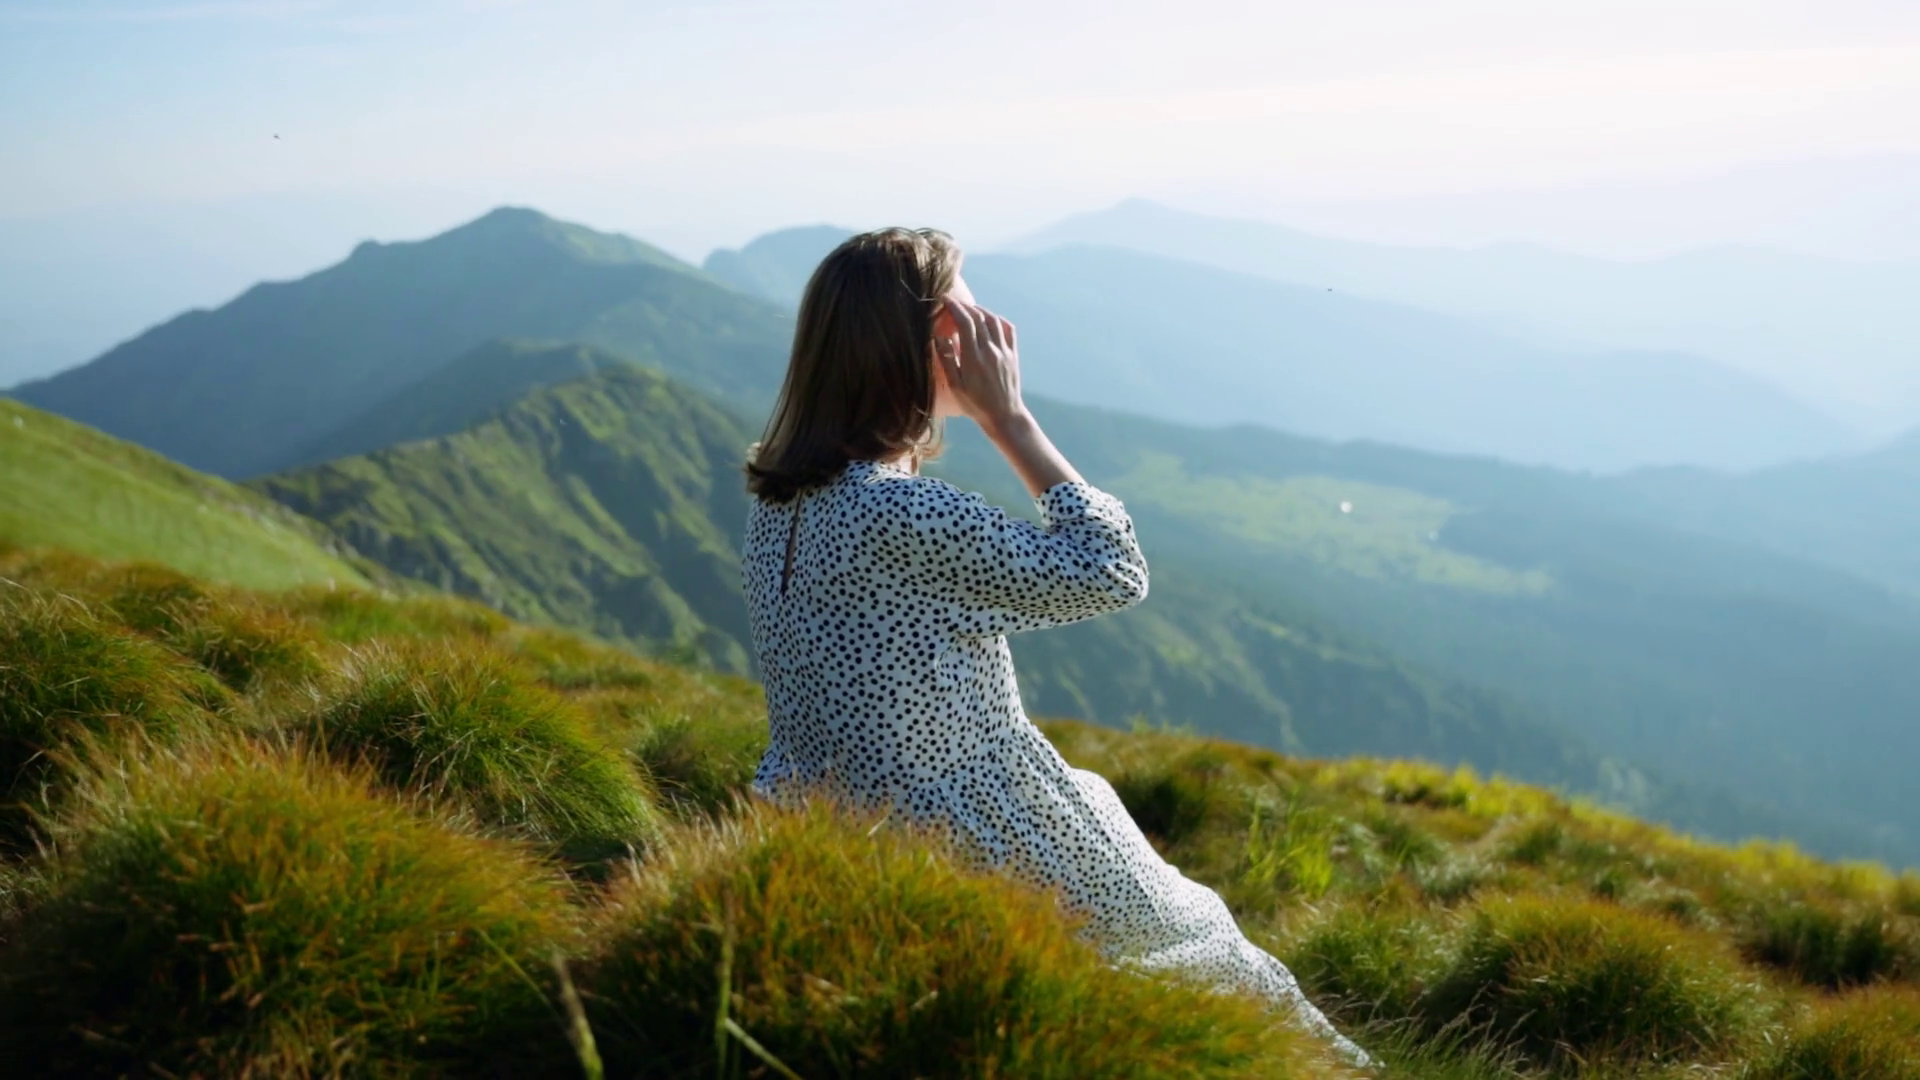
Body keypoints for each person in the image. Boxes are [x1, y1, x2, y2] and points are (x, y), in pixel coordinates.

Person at [741, 227, 1369, 1068]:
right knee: (1210, 966)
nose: (994, 325)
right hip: (977, 833)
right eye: (969, 305)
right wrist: (1011, 420)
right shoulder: (894, 513)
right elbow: (1111, 569)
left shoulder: (785, 501)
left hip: (830, 827)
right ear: (932, 343)